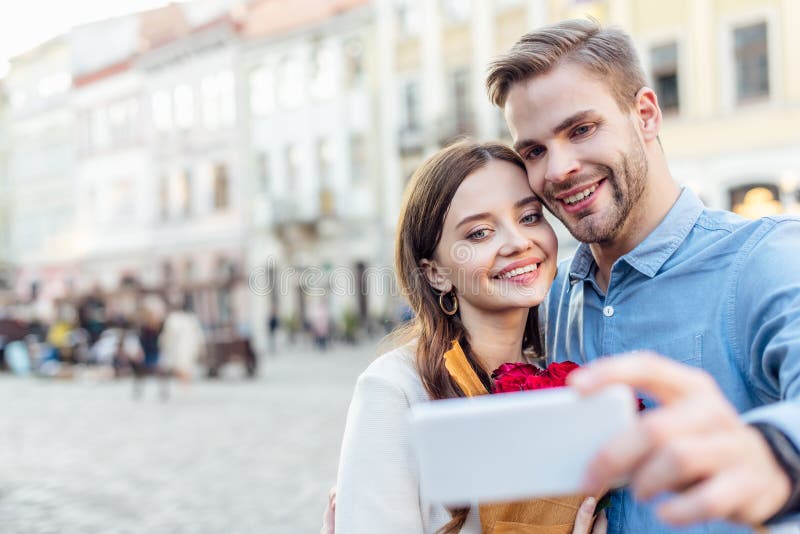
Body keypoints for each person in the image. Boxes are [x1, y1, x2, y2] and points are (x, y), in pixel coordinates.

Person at [486, 18, 800, 532]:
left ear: (646, 115)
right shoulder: (552, 297)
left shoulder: (765, 260)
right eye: (535, 151)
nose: (559, 169)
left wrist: (776, 454)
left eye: (581, 130)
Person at [334, 140, 606, 534]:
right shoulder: (396, 390)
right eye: (479, 234)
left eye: (529, 217)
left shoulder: (561, 367)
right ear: (435, 273)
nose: (517, 242)